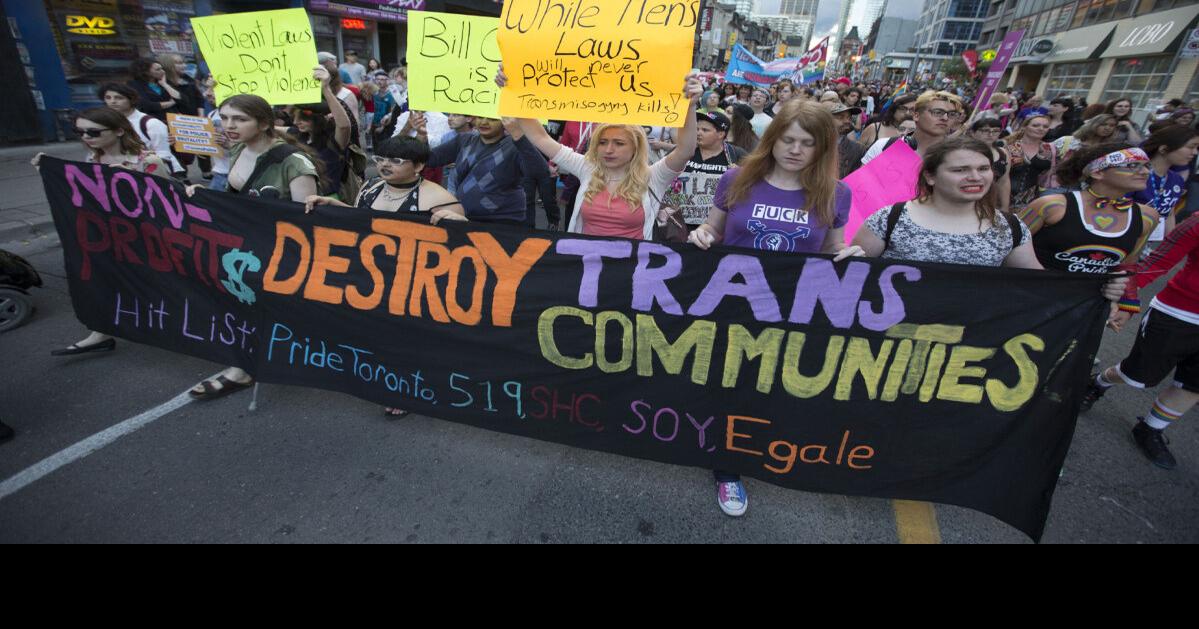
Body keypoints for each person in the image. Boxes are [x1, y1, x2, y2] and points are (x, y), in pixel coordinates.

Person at [689, 101, 858, 516]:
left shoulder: (836, 193)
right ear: (773, 138)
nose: (796, 150)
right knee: (730, 386)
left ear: (823, 149)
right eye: (788, 139)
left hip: (792, 312)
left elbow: (833, 247)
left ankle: (765, 451)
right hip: (731, 305)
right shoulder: (737, 178)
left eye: (808, 143)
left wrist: (850, 253)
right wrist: (702, 234)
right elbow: (714, 227)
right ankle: (727, 470)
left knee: (771, 390)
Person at [182, 94, 322, 400]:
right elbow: (236, 195)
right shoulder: (236, 150)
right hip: (246, 243)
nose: (229, 125)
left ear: (264, 123)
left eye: (240, 119)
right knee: (242, 301)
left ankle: (250, 364)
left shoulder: (294, 163)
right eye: (225, 117)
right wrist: (205, 194)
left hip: (281, 249)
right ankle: (244, 365)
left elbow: (307, 220)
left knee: (263, 305)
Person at [502, 69, 701, 241]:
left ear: (636, 147)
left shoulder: (652, 176)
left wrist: (690, 106)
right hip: (585, 266)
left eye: (619, 143)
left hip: (631, 270)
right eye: (603, 142)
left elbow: (685, 150)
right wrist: (513, 92)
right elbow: (540, 137)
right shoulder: (587, 167)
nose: (608, 149)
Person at [35, 108, 166, 357]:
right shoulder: (90, 161)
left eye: (93, 131)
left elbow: (169, 201)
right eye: (80, 131)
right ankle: (100, 333)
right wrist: (50, 170)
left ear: (119, 130)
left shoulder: (147, 161)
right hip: (106, 237)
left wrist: (132, 180)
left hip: (144, 238)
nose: (86, 136)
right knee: (103, 282)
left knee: (158, 287)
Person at [1084, 210, 1199, 469]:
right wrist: (1127, 301)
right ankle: (1098, 383)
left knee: (1194, 386)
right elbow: (1157, 261)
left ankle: (1150, 428)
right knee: (1137, 374)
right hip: (1178, 315)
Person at [1019, 144, 1157, 278]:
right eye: (1132, 166)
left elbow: (1127, 266)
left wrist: (1122, 298)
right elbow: (1005, 245)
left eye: (1147, 166)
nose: (1145, 172)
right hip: (1034, 293)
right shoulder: (1051, 206)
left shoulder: (1147, 217)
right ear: (1097, 172)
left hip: (1092, 299)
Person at [412, 113, 548, 224]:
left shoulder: (515, 145)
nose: (484, 122)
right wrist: (421, 137)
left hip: (503, 223)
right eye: (480, 117)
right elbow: (429, 160)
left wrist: (518, 135)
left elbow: (540, 172)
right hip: (463, 218)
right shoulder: (464, 140)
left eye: (492, 118)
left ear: (505, 121)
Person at [661, 110, 747, 230]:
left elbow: (754, 185)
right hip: (676, 225)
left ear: (721, 134)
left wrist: (742, 174)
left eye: (705, 130)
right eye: (697, 129)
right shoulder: (681, 152)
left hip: (716, 229)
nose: (698, 133)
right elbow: (661, 176)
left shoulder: (737, 155)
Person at [288, 66, 352, 198]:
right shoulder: (296, 135)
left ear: (319, 119)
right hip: (299, 198)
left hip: (327, 200)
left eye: (303, 118)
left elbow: (344, 126)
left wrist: (326, 89)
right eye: (294, 116)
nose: (296, 121)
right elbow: (267, 128)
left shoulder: (333, 141)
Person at [97, 82, 185, 177]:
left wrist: (133, 167)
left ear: (131, 100)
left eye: (119, 98)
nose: (112, 101)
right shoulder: (104, 122)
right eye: (108, 98)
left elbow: (164, 155)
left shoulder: (151, 123)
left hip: (153, 176)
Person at [1134, 126, 1199, 244]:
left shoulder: (1176, 179)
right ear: (1163, 149)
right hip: (1120, 243)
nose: (1195, 153)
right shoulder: (1135, 174)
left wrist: (1171, 244)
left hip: (1145, 246)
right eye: (1190, 147)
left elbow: (1169, 214)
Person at [861, 91, 959, 166]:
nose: (945, 118)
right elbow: (860, 186)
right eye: (937, 112)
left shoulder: (957, 157)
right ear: (916, 116)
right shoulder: (884, 146)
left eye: (952, 114)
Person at [1005, 115, 1057, 213]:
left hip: (1029, 200)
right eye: (1036, 125)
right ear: (1025, 127)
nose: (1041, 129)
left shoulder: (1049, 149)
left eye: (1045, 127)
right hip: (1002, 196)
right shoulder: (1008, 145)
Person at [968, 118, 1012, 214]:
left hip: (989, 202)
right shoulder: (963, 152)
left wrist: (1005, 207)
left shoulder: (1003, 153)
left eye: (995, 131)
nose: (990, 134)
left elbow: (1004, 182)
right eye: (985, 130)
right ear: (972, 132)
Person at [127, 57, 181, 122]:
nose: (163, 71)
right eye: (158, 69)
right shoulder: (135, 85)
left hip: (172, 120)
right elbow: (147, 105)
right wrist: (172, 102)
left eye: (162, 69)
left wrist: (165, 84)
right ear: (146, 72)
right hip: (152, 121)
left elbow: (180, 98)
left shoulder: (163, 82)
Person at [1053, 114, 1119, 163]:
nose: (1107, 128)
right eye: (1103, 124)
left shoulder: (1108, 149)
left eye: (1112, 125)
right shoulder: (1067, 140)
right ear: (1093, 124)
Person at [828, 102, 864, 179]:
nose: (847, 121)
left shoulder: (857, 149)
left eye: (849, 118)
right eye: (841, 117)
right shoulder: (814, 144)